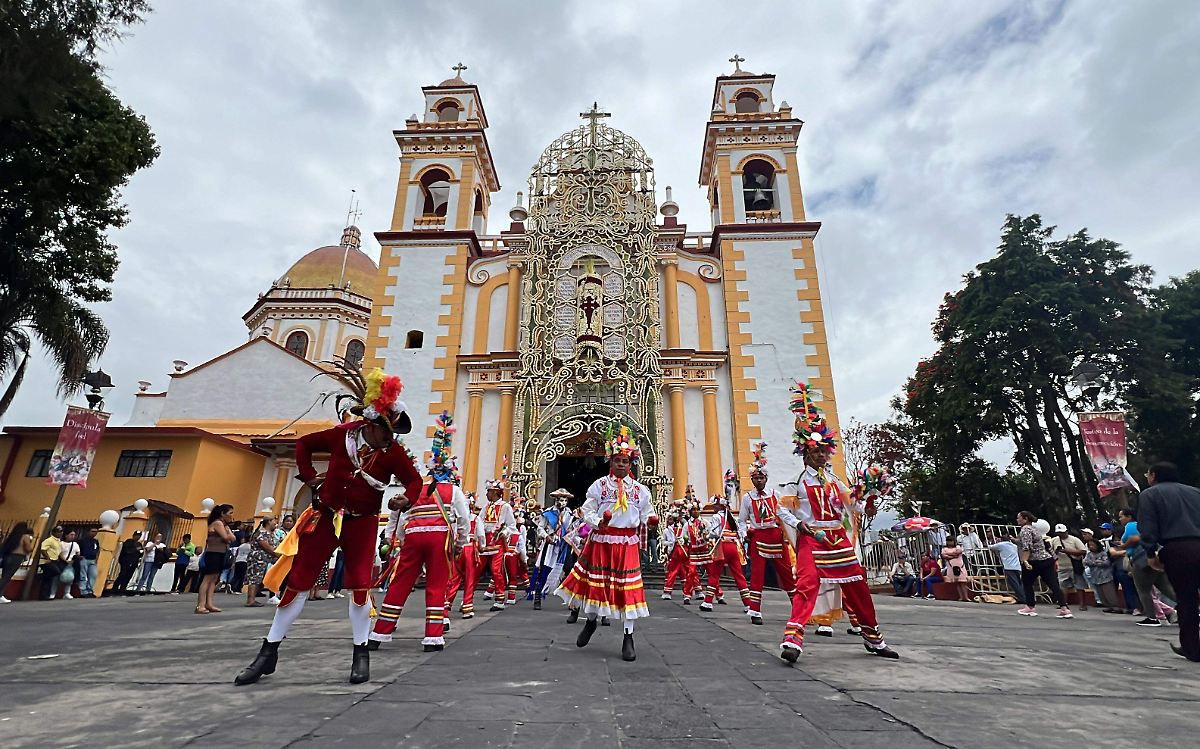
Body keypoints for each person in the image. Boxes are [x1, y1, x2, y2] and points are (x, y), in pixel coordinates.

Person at [235, 368, 422, 686]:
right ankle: (268, 652)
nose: (391, 439)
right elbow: (304, 445)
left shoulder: (392, 453)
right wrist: (309, 477)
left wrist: (406, 498)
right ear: (371, 424)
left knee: (361, 584)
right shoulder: (342, 436)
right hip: (325, 517)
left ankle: (360, 654)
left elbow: (415, 481)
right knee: (298, 581)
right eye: (387, 432)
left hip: (362, 525)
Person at [777, 382, 899, 661]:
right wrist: (799, 525)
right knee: (806, 584)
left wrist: (869, 497)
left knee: (858, 587)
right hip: (813, 538)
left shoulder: (835, 481)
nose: (821, 455)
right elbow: (782, 511)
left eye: (824, 451)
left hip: (838, 540)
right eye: (816, 451)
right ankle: (793, 639)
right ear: (805, 452)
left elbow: (852, 505)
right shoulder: (795, 482)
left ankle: (873, 638)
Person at [556, 424, 656, 662]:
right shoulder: (599, 486)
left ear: (631, 464)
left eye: (625, 460)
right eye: (618, 460)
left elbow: (645, 514)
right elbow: (587, 510)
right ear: (611, 462)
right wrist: (598, 521)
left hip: (627, 543)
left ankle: (628, 636)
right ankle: (590, 622)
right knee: (596, 586)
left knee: (627, 590)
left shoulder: (641, 491)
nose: (621, 464)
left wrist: (651, 521)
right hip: (601, 540)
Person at [370, 413, 469, 652]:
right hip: (439, 539)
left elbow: (399, 518)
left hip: (414, 537)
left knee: (400, 583)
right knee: (436, 584)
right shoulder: (451, 490)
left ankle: (379, 633)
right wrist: (461, 541)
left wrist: (399, 541)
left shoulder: (411, 489)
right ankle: (433, 638)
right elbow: (463, 518)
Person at [1137, 461, 1200, 662]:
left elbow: (1147, 526)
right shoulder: (1196, 492)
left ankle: (1192, 648)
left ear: (1154, 475)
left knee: (1187, 598)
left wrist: (1150, 552)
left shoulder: (1150, 494)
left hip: (1178, 549)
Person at [738, 447, 798, 625]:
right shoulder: (747, 498)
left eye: (761, 477)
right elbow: (741, 520)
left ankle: (798, 608)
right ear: (752, 479)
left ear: (766, 479)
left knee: (786, 572)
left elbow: (784, 514)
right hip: (758, 537)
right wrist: (743, 534)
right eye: (755, 478)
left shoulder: (775, 494)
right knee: (757, 574)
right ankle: (755, 611)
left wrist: (797, 524)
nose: (758, 480)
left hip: (776, 536)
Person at [1116, 508, 1177, 627]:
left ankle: (1152, 617)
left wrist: (1123, 545)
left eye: (1121, 516)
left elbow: (1135, 538)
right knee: (1166, 587)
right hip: (1154, 556)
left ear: (1129, 517)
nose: (1120, 519)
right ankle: (1192, 606)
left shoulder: (1131, 526)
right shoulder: (1144, 525)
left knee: (1144, 590)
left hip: (1141, 559)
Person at [700, 492, 751, 613]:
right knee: (739, 575)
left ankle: (708, 602)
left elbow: (715, 532)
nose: (713, 508)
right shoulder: (732, 518)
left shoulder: (716, 517)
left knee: (714, 574)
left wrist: (707, 536)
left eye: (715, 506)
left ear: (719, 507)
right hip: (733, 547)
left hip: (722, 546)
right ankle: (748, 604)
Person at [1015, 511, 1070, 618]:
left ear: (1025, 519)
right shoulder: (1036, 530)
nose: (1017, 520)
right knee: (1054, 585)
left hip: (1034, 560)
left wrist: (1025, 561)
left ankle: (1030, 607)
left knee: (1027, 583)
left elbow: (1027, 547)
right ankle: (1064, 608)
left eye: (1019, 518)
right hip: (1046, 559)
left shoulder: (1025, 530)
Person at [445, 492, 486, 620]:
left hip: (457, 547)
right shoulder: (475, 518)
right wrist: (482, 546)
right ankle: (467, 607)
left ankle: (446, 604)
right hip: (469, 548)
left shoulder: (454, 518)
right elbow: (480, 534)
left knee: (454, 578)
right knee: (469, 579)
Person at [530, 489, 573, 610]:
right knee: (544, 571)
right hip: (550, 546)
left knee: (569, 570)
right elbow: (540, 529)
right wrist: (546, 536)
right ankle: (538, 596)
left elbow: (570, 529)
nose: (563, 502)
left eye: (565, 499)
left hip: (564, 546)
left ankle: (569, 599)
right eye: (560, 499)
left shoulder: (569, 514)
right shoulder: (548, 513)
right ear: (556, 500)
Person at [479, 480, 516, 612]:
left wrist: (503, 532)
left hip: (498, 542)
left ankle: (500, 599)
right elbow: (480, 521)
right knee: (477, 568)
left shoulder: (505, 507)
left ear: (495, 492)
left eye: (489, 491)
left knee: (496, 570)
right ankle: (467, 599)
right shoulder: (486, 507)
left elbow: (512, 525)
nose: (487, 494)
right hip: (485, 541)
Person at [197, 506, 235, 613]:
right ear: (223, 513)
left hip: (220, 553)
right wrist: (228, 532)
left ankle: (209, 604)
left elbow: (232, 538)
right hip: (213, 553)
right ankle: (201, 605)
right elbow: (228, 538)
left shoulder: (223, 525)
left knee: (214, 580)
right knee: (207, 579)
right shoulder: (218, 523)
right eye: (230, 513)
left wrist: (228, 532)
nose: (232, 515)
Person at [1049, 524, 1088, 611]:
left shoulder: (1074, 539)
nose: (1061, 534)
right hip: (1062, 566)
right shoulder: (1054, 540)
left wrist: (1066, 551)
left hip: (1074, 566)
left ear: (1066, 531)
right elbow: (1049, 551)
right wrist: (1056, 552)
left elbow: (1083, 551)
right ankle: (1063, 603)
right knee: (1062, 586)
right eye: (1059, 533)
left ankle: (1082, 604)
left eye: (1062, 532)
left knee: (1079, 586)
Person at [244, 517, 279, 607]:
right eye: (274, 521)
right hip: (257, 559)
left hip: (264, 559)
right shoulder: (261, 533)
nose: (275, 523)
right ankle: (250, 600)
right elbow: (266, 547)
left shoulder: (269, 533)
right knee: (255, 579)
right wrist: (277, 555)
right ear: (269, 522)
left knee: (260, 580)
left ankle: (252, 598)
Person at [1083, 539, 1122, 612]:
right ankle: (1108, 606)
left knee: (1109, 592)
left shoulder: (1103, 553)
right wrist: (1096, 562)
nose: (1091, 547)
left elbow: (1106, 563)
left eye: (1093, 545)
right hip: (1095, 576)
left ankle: (1115, 607)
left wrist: (1094, 562)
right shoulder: (1089, 554)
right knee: (1101, 593)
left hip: (1105, 576)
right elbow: (1086, 561)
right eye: (1089, 545)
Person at [1, 522, 36, 603]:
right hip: (17, 557)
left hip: (8, 557)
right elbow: (28, 548)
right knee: (7, 577)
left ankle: (1, 594)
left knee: (4, 576)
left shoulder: (11, 537)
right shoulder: (25, 537)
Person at [989, 536, 1023, 602]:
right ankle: (1025, 597)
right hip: (1017, 567)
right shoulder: (1014, 546)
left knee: (1015, 584)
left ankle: (1022, 598)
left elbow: (990, 547)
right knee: (1019, 583)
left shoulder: (1002, 545)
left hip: (1009, 567)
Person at [37, 526, 65, 600]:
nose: (61, 533)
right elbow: (43, 549)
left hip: (55, 560)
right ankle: (43, 594)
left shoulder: (58, 541)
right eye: (58, 531)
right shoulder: (49, 540)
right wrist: (48, 558)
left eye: (61, 531)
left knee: (49, 579)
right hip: (47, 561)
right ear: (54, 532)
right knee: (54, 572)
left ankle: (44, 595)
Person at [941, 537, 972, 602]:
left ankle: (966, 597)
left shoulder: (958, 547)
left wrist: (949, 555)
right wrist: (953, 555)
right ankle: (961, 597)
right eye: (948, 541)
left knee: (963, 582)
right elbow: (944, 555)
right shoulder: (944, 548)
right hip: (951, 566)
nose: (950, 543)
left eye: (951, 541)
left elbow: (958, 553)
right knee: (957, 582)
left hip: (960, 566)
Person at [112, 531, 142, 595]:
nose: (138, 537)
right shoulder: (128, 542)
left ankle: (123, 589)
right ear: (134, 535)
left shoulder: (139, 544)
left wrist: (140, 552)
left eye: (139, 535)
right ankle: (115, 588)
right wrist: (136, 549)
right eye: (137, 535)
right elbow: (127, 551)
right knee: (122, 574)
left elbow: (140, 554)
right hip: (126, 561)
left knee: (128, 576)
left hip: (134, 562)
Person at [77, 527, 100, 598]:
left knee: (93, 575)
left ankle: (90, 590)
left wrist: (96, 558)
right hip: (84, 559)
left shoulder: (95, 541)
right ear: (88, 532)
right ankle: (83, 591)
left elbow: (97, 550)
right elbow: (78, 549)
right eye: (93, 531)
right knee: (83, 575)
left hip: (92, 560)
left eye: (96, 532)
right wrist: (80, 556)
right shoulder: (82, 540)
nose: (94, 533)